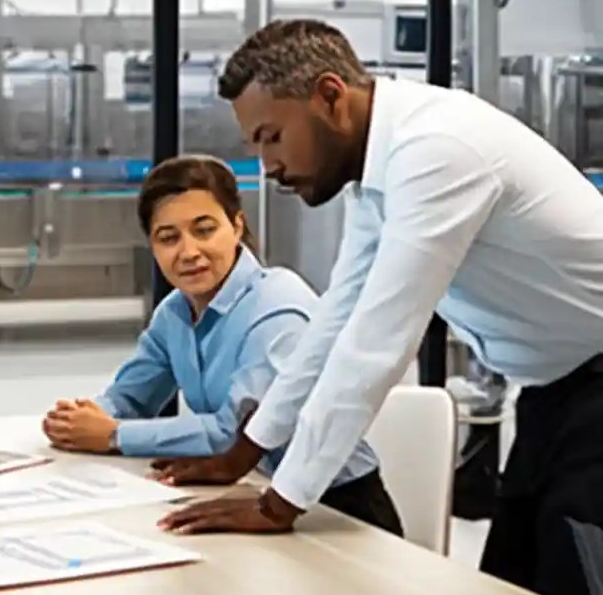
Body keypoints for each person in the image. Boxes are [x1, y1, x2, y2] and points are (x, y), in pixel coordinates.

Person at [152, 19, 603, 595]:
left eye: (273, 137)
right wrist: (248, 449)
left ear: (330, 97)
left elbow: (379, 343)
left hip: (594, 391)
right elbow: (339, 318)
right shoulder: (380, 170)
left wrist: (281, 502)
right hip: (556, 391)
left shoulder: (437, 151)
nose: (269, 166)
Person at [43, 156, 401, 534]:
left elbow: (235, 434)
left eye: (204, 230)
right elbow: (131, 397)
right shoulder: (175, 313)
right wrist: (82, 418)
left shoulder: (277, 305)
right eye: (168, 238)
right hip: (256, 490)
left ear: (236, 225)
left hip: (337, 506)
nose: (189, 251)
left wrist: (113, 435)